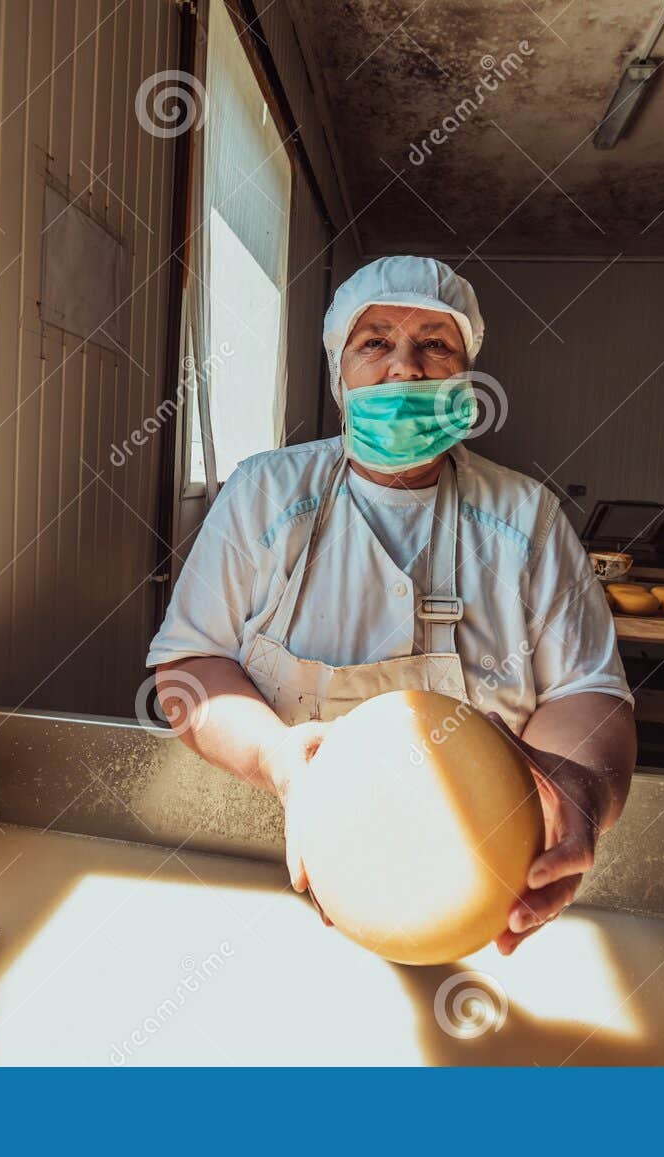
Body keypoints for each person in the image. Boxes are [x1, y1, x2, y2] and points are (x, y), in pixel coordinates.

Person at [147, 255, 636, 954]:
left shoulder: (526, 518)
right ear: (339, 371)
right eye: (374, 342)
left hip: (491, 887)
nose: (404, 367)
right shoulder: (264, 493)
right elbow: (190, 667)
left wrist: (575, 794)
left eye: (435, 345)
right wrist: (278, 758)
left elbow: (588, 691)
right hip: (281, 875)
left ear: (467, 376)